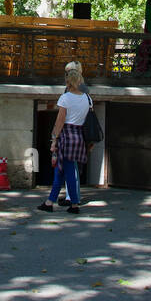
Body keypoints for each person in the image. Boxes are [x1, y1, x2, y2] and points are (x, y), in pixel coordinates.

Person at [38, 61, 91, 216]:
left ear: (68, 80)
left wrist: (54, 140)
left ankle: (74, 203)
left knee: (67, 171)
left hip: (66, 136)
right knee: (61, 171)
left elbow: (60, 121)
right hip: (79, 135)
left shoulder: (66, 98)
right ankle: (50, 202)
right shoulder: (87, 98)